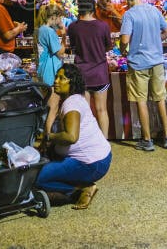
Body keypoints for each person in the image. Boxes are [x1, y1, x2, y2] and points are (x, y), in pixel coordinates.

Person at [35, 64, 112, 210]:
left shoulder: (71, 104)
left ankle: (79, 190)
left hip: (91, 164)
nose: (56, 81)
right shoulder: (75, 98)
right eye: (56, 77)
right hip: (100, 158)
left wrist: (49, 137)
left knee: (38, 178)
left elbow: (71, 137)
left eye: (62, 78)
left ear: (72, 83)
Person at [119, 0, 167, 151]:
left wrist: (123, 51)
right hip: (157, 61)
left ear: (127, 0)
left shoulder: (129, 15)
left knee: (141, 100)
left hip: (138, 63)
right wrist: (156, 41)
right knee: (160, 98)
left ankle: (147, 140)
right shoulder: (154, 10)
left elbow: (125, 40)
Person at [66, 0, 112, 138]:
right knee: (101, 110)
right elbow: (108, 47)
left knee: (84, 111)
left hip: (82, 74)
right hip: (100, 73)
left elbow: (73, 47)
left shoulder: (73, 27)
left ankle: (85, 140)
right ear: (93, 9)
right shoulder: (103, 26)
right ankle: (104, 142)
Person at [37, 3, 66, 135]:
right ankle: (48, 138)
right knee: (53, 108)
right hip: (51, 73)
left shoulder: (40, 29)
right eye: (60, 17)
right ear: (54, 17)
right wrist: (64, 34)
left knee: (48, 107)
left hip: (44, 71)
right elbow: (60, 52)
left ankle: (46, 138)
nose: (61, 21)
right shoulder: (49, 31)